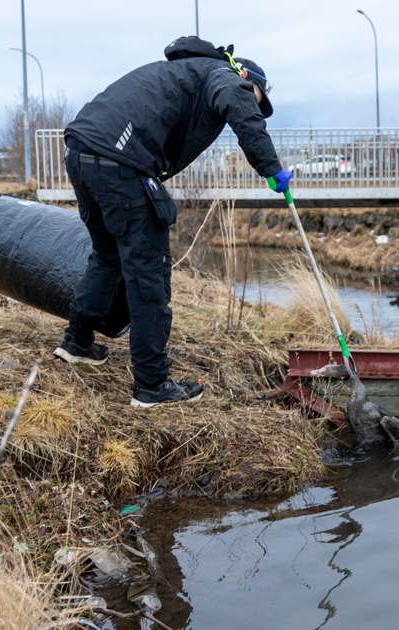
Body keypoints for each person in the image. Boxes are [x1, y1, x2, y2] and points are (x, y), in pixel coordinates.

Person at [54, 36, 293, 408]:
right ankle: (151, 386)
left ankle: (77, 341)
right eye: (258, 99)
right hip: (120, 161)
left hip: (81, 151)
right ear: (247, 77)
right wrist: (271, 168)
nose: (254, 106)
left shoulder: (186, 72)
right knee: (147, 270)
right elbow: (237, 99)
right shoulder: (224, 74)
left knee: (108, 256)